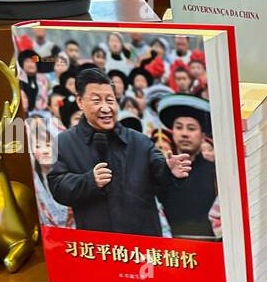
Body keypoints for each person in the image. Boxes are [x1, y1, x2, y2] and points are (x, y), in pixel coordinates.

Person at [47, 68, 193, 236]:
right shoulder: (65, 143)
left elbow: (160, 177)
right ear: (80, 102)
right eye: (96, 101)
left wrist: (169, 171)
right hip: (99, 246)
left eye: (110, 100)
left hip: (143, 244)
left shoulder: (139, 141)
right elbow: (57, 186)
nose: (106, 108)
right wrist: (89, 181)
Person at [156, 95, 218, 238]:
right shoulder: (162, 170)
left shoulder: (214, 169)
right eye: (179, 127)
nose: (184, 134)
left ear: (202, 135)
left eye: (191, 128)